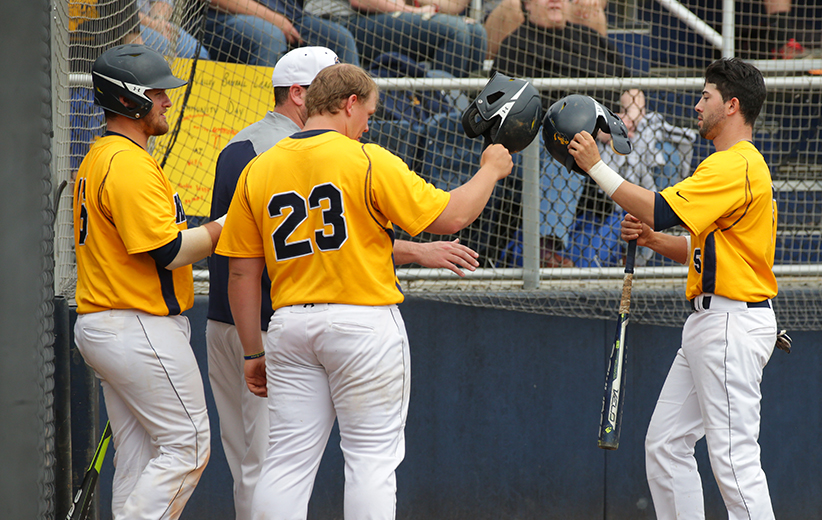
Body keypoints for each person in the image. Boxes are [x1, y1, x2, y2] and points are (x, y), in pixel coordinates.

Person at [215, 63, 514, 519]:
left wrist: (252, 353)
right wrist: (490, 171)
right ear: (349, 103)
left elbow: (241, 275)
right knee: (371, 463)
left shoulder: (260, 167)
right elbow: (452, 217)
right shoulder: (366, 158)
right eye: (368, 112)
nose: (369, 124)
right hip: (362, 324)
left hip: (290, 326)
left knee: (286, 465)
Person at [567, 58, 780, 520]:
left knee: (734, 463)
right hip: (714, 321)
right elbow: (700, 250)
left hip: (730, 322)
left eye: (706, 96)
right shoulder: (728, 165)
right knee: (665, 446)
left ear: (732, 104)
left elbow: (660, 208)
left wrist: (597, 168)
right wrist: (651, 240)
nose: (697, 104)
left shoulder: (736, 164)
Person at [72, 43, 224, 519]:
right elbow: (170, 251)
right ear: (130, 99)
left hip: (114, 322)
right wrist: (226, 227)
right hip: (135, 322)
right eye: (158, 94)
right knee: (190, 444)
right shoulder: (126, 164)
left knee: (139, 458)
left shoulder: (107, 156)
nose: (167, 102)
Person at [494, 0, 645, 266]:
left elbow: (631, 87)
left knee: (668, 148)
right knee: (569, 145)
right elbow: (521, 115)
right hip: (549, 142)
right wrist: (596, 132)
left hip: (618, 130)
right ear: (526, 4)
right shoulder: (515, 45)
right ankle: (546, 247)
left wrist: (630, 118)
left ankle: (646, 244)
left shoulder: (590, 38)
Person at [305, 0, 487, 78]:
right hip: (339, 21)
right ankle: (440, 119)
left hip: (375, 18)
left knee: (476, 32)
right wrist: (416, 12)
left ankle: (469, 121)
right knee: (455, 31)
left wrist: (435, 10)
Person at [203, 0, 359, 66]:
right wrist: (273, 18)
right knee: (269, 36)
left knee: (340, 40)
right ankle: (266, 125)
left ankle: (349, 129)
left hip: (292, 17)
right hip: (220, 17)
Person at [483, 0, 608, 59]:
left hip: (558, 5)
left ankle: (595, 70)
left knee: (593, 12)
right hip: (514, 7)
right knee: (513, 6)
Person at [138, 0, 212, 59]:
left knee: (200, 55)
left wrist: (160, 21)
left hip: (157, 20)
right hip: (134, 25)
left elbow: (163, 2)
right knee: (166, 50)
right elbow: (128, 12)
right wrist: (152, 24)